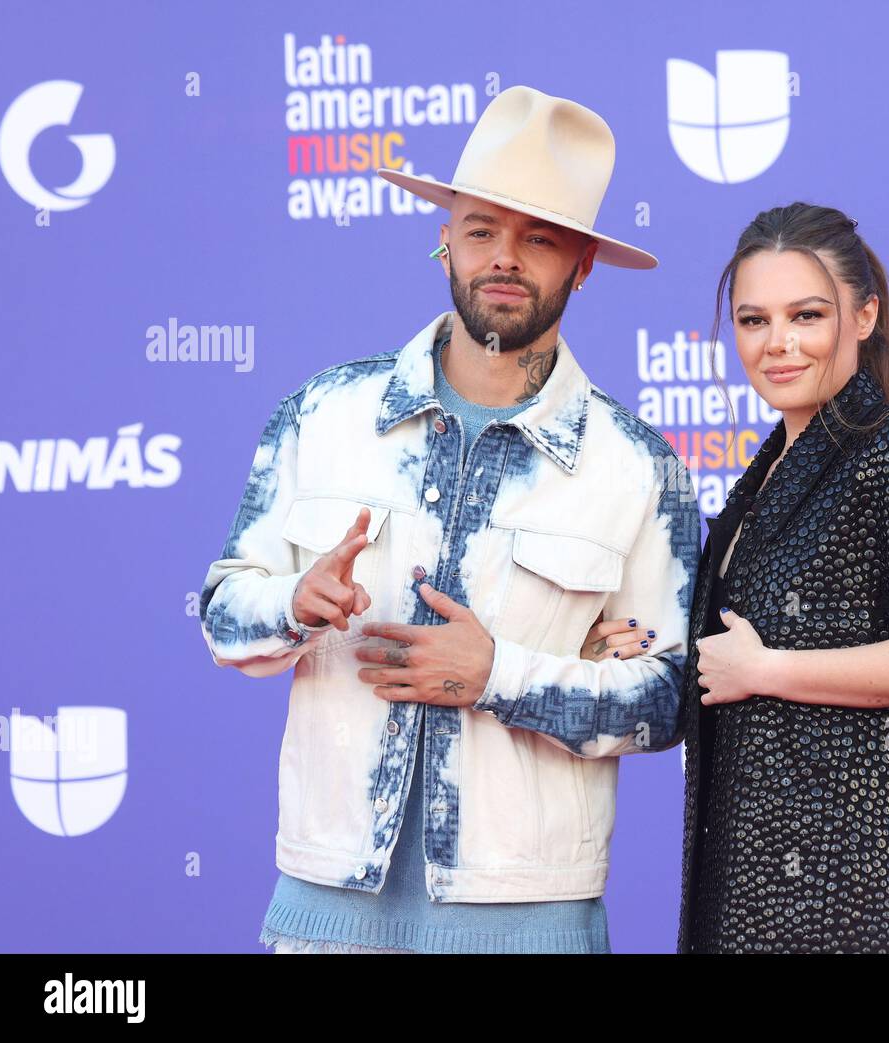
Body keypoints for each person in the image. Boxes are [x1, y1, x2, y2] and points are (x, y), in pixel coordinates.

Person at [197, 85, 700, 954]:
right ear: (443, 244)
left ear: (582, 263)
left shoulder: (637, 467)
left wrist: (500, 674)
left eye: (538, 237)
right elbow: (220, 614)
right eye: (480, 230)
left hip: (530, 922)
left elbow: (665, 698)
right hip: (325, 919)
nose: (504, 258)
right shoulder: (323, 414)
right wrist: (293, 602)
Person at [673, 202, 889, 953]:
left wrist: (768, 668)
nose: (778, 343)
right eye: (752, 320)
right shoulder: (767, 475)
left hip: (882, 898)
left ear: (863, 316)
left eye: (806, 314)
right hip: (771, 886)